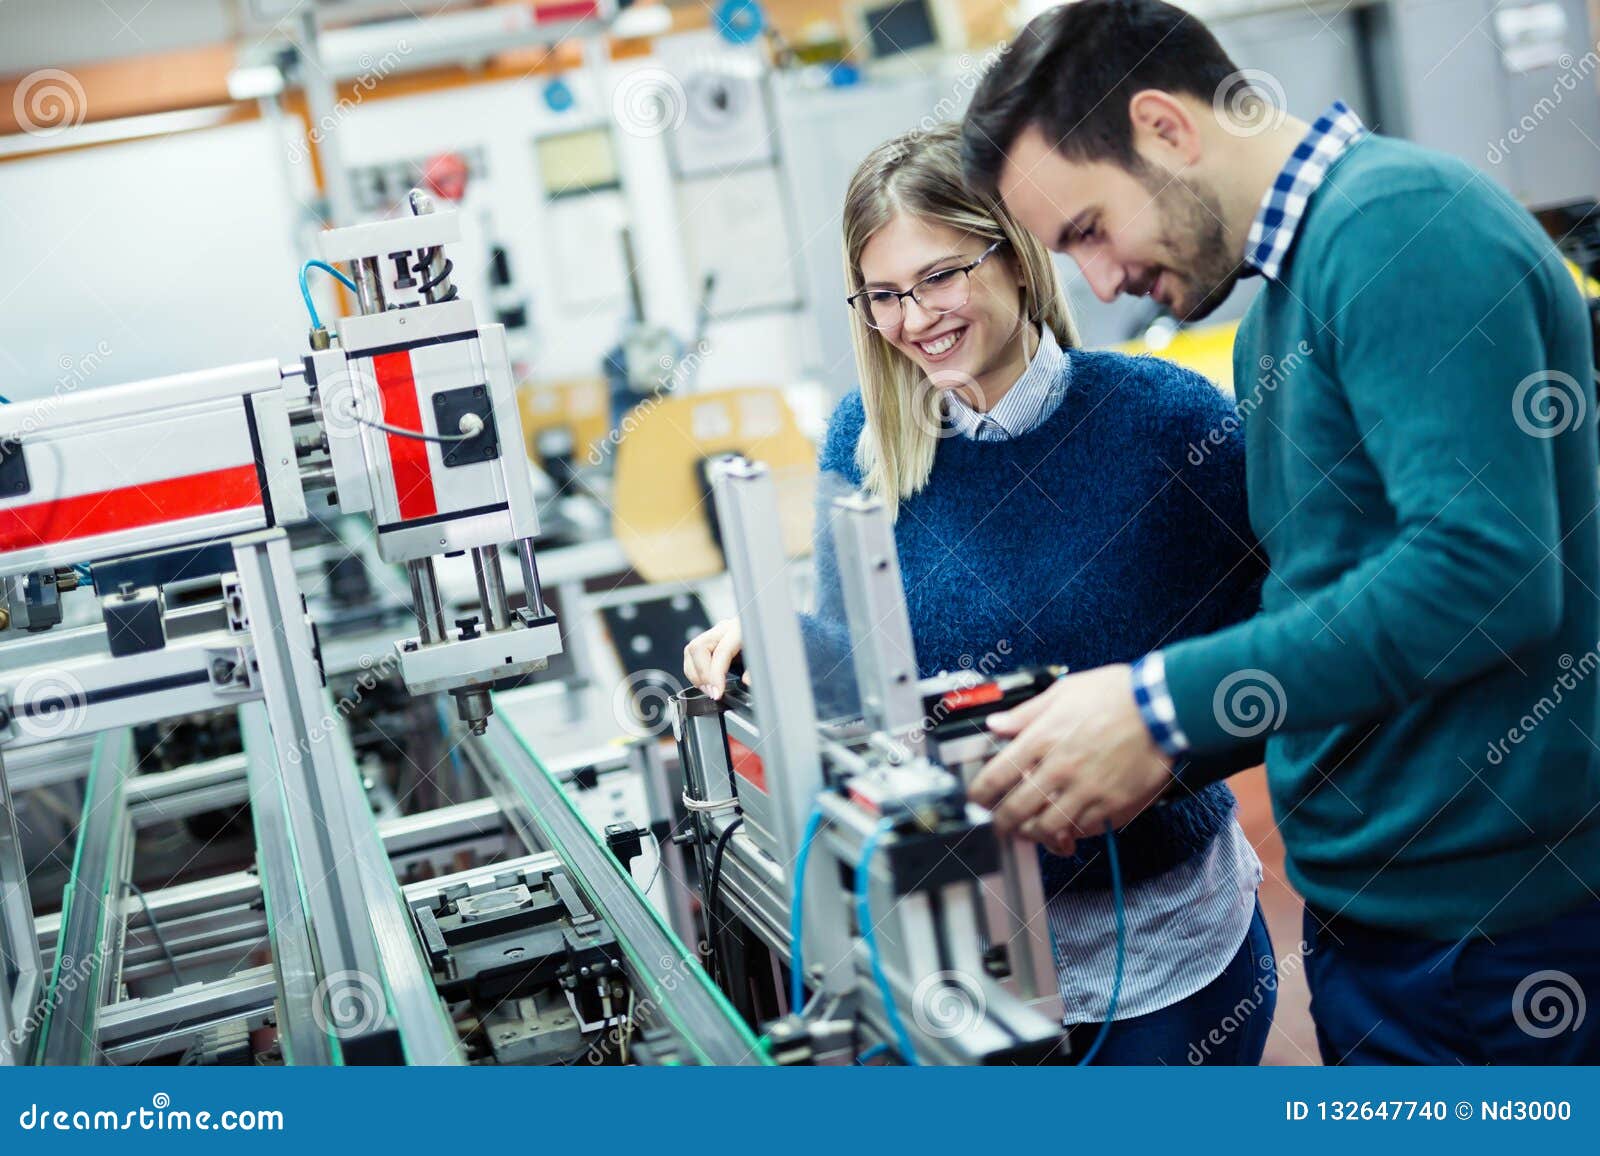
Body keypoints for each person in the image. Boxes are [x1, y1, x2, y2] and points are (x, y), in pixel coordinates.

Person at [960, 0, 1600, 1064]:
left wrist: (1157, 709)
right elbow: (1332, 612)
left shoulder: (1400, 228)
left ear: (1165, 128)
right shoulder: (1275, 312)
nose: (1102, 282)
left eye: (1086, 230)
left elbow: (1483, 574)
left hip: (1496, 942)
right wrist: (1132, 758)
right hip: (1389, 924)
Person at [684, 123, 1277, 1063]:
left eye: (938, 276)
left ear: (1014, 252)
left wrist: (1161, 758)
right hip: (961, 957)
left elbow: (1281, 658)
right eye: (883, 295)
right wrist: (775, 640)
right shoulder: (865, 441)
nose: (915, 320)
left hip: (1167, 956)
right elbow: (871, 674)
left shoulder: (1165, 422)